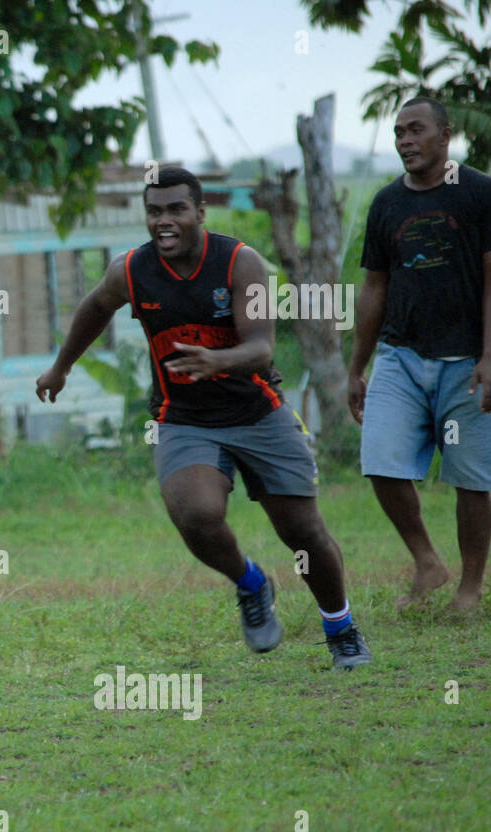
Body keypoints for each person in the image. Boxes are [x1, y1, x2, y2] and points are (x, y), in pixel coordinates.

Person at [36, 166, 372, 669]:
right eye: (154, 212)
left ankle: (340, 626)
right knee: (196, 516)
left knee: (303, 531)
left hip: (258, 412)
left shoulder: (240, 263)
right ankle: (252, 583)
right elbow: (96, 305)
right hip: (185, 418)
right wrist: (61, 366)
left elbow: (260, 347)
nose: (164, 221)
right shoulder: (131, 270)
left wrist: (218, 360)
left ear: (199, 212)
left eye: (176, 210)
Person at [349, 96, 491, 612]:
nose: (406, 141)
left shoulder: (481, 193)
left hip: (468, 360)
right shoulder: (387, 203)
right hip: (400, 356)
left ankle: (471, 587)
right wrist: (357, 366)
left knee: (470, 479)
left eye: (416, 130)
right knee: (381, 461)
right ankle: (427, 561)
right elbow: (374, 287)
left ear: (445, 136)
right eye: (398, 133)